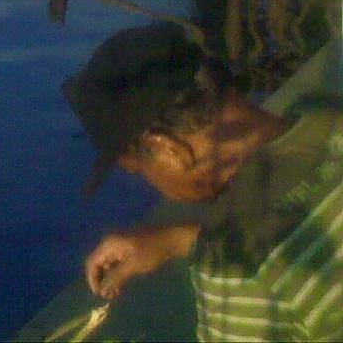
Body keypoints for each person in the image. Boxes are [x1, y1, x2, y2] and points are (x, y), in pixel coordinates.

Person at [63, 22, 343, 342]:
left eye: (139, 169)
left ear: (165, 147)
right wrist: (177, 240)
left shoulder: (232, 263)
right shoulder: (326, 112)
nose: (151, 183)